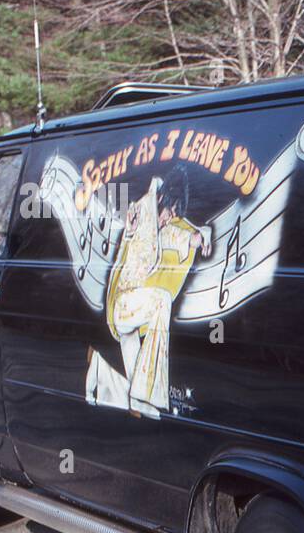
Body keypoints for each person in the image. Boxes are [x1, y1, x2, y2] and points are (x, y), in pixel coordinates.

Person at [86, 166, 211, 417]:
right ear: (163, 200)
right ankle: (151, 391)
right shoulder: (143, 210)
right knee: (161, 300)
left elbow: (178, 234)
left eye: (174, 214)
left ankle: (100, 374)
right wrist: (131, 230)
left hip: (133, 308)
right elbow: (136, 233)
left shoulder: (162, 221)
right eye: (170, 211)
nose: (170, 218)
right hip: (122, 303)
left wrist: (202, 237)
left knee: (142, 409)